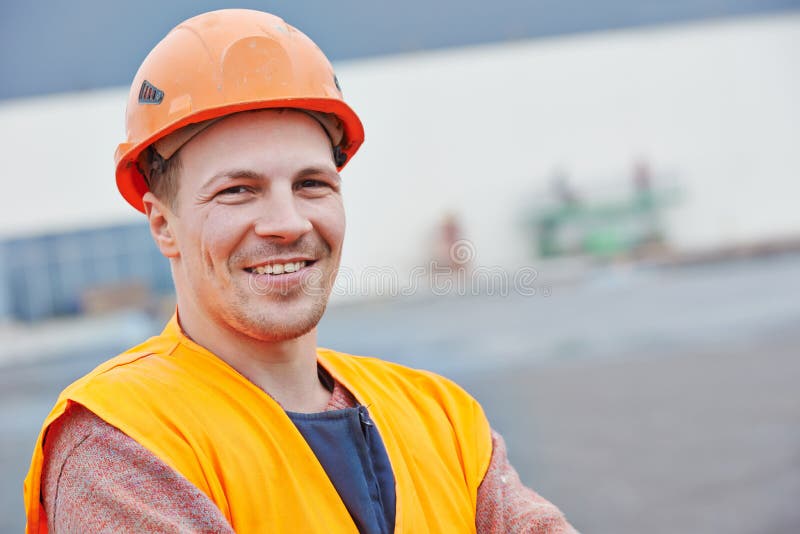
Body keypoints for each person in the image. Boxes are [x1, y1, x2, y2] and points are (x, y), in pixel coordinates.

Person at [24, 9, 576, 533]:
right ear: (163, 225)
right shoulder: (124, 441)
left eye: (312, 184)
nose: (287, 223)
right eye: (238, 190)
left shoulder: (444, 419)